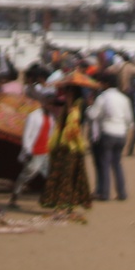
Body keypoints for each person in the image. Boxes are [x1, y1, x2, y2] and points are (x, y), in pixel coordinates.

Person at [41, 80, 94, 212]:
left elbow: (76, 126)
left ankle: (67, 204)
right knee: (58, 174)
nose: (66, 94)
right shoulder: (66, 106)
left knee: (69, 176)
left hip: (72, 147)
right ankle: (57, 203)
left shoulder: (79, 106)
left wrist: (71, 110)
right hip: (60, 145)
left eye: (69, 91)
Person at [88, 71, 133, 200]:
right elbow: (129, 119)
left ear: (106, 84)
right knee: (117, 163)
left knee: (105, 164)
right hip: (121, 133)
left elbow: (92, 115)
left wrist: (90, 106)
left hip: (107, 132)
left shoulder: (103, 97)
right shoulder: (124, 98)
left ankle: (104, 193)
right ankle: (121, 192)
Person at [11, 90, 54, 205]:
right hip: (34, 151)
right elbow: (26, 135)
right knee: (26, 175)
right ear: (44, 103)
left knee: (50, 176)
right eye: (49, 103)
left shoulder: (51, 118)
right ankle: (15, 195)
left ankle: (48, 199)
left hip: (46, 151)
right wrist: (27, 151)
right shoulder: (34, 116)